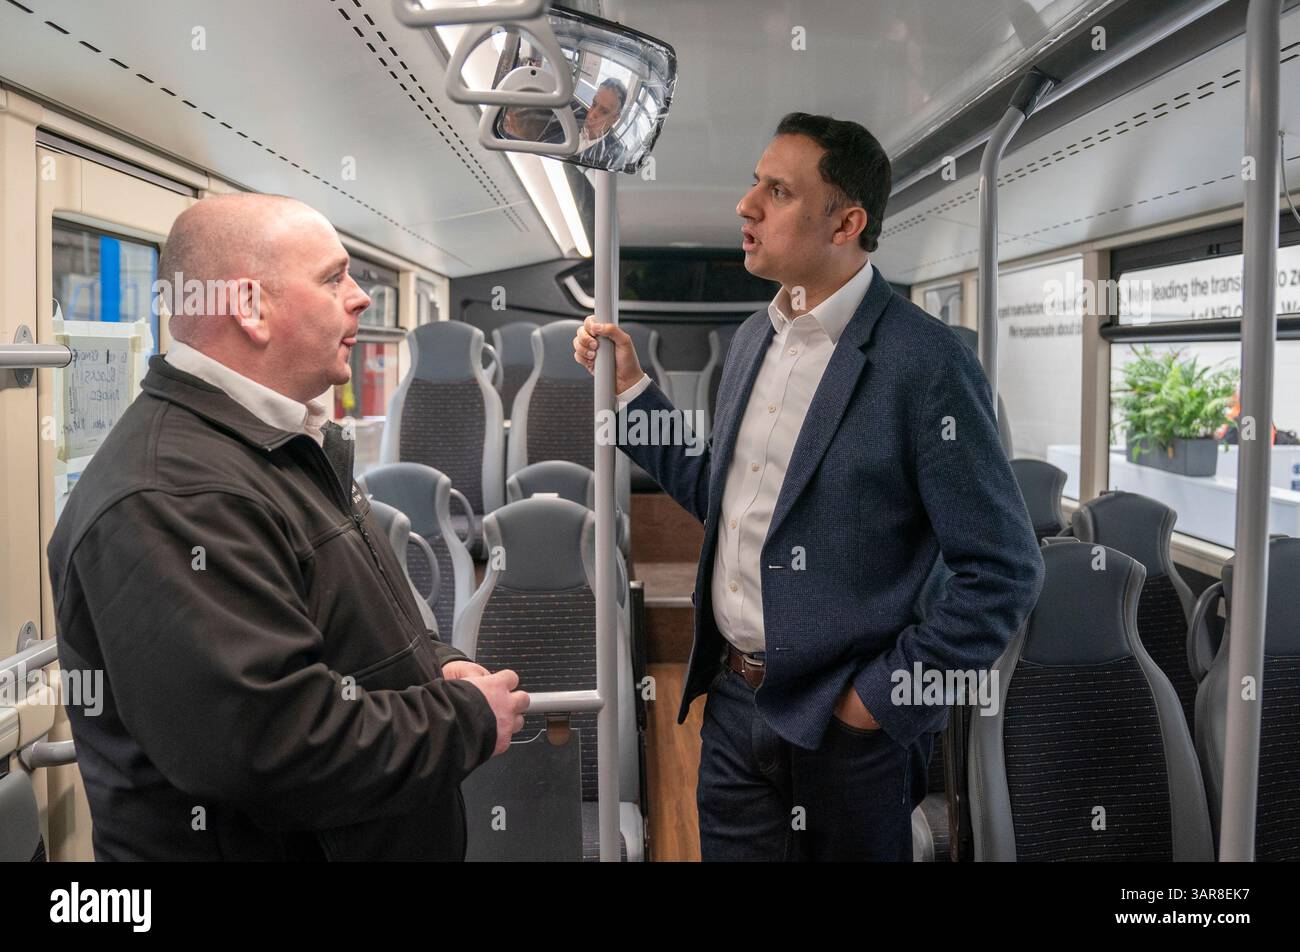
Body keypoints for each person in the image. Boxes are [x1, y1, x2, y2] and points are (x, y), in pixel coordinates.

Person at [574, 112, 1043, 861]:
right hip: (733, 703)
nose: (746, 205)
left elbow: (1005, 572)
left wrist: (877, 704)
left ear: (846, 223)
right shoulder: (757, 337)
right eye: (755, 183)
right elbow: (721, 494)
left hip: (845, 727)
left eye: (778, 190)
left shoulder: (926, 364)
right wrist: (633, 391)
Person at [48, 193, 529, 861]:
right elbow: (274, 749)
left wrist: (437, 667)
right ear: (251, 308)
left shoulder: (279, 445)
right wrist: (468, 722)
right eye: (334, 278)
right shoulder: (174, 495)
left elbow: (345, 628)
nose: (360, 298)